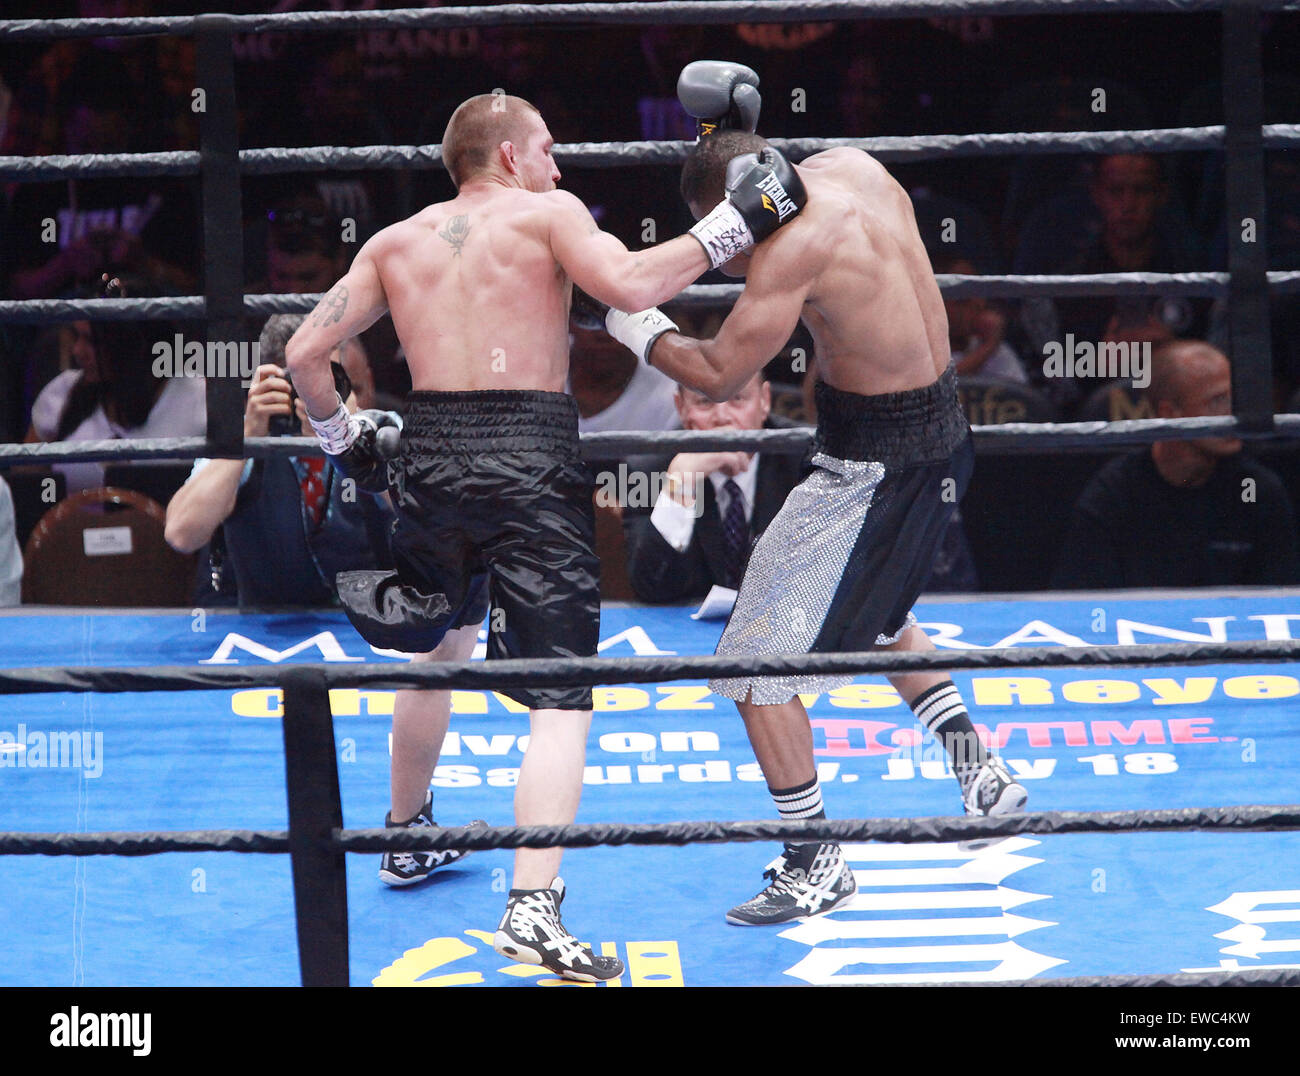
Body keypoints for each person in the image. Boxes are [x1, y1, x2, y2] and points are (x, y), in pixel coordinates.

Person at [282, 92, 805, 979]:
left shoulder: (393, 242)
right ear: (513, 157)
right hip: (528, 457)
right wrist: (741, 219)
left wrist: (344, 441)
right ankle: (532, 908)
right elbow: (636, 286)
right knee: (563, 696)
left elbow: (302, 356)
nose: (561, 169)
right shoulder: (549, 213)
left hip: (433, 451)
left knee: (443, 643)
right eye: (550, 151)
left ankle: (406, 836)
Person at [587, 71, 1026, 927]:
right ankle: (981, 768)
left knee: (754, 666)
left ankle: (813, 858)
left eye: (729, 246)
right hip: (942, 432)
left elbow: (721, 372)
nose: (739, 264)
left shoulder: (790, 248)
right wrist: (734, 132)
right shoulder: (852, 165)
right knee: (879, 607)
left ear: (734, 216)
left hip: (873, 467)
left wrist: (634, 327)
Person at [164, 315, 395, 609]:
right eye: (306, 383)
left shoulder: (382, 428)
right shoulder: (246, 438)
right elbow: (182, 533)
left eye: (331, 381)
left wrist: (348, 437)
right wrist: (248, 437)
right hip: (270, 627)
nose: (319, 395)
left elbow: (430, 516)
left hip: (378, 625)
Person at [1051, 341, 1300, 588]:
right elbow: (1080, 601)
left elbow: (1283, 599)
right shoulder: (1115, 493)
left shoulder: (1255, 489)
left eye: (1235, 398)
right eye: (1217, 401)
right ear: (1170, 413)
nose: (1234, 413)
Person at [622, 371, 805, 603]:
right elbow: (650, 589)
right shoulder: (648, 470)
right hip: (689, 632)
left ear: (764, 400)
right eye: (705, 401)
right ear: (681, 408)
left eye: (737, 399)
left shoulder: (805, 459)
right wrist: (681, 484)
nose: (722, 417)